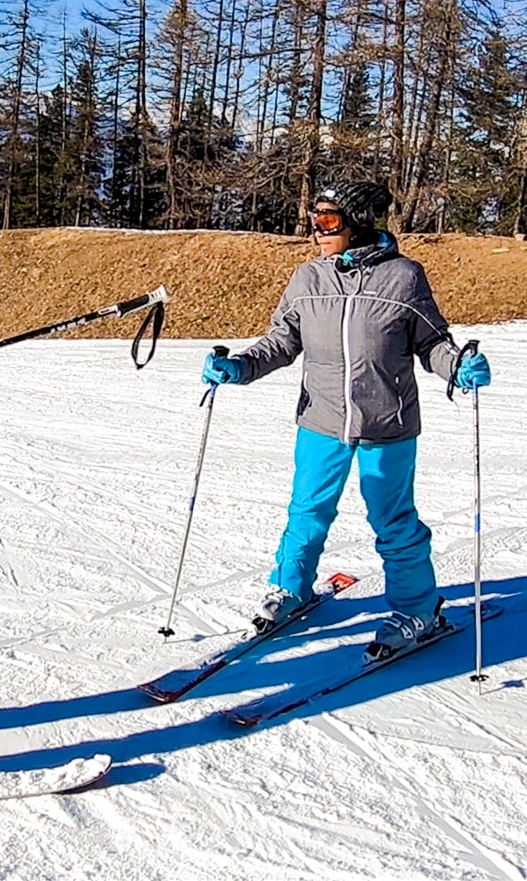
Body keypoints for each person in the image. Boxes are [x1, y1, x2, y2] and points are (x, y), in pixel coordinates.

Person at [201, 180, 492, 660]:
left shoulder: (404, 277)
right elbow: (280, 343)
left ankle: (419, 609)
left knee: (394, 521)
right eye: (315, 221)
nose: (318, 230)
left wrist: (458, 367)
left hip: (387, 422)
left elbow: (432, 343)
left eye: (330, 221)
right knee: (307, 511)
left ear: (358, 223)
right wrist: (239, 368)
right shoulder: (307, 280)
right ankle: (291, 589)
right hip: (321, 418)